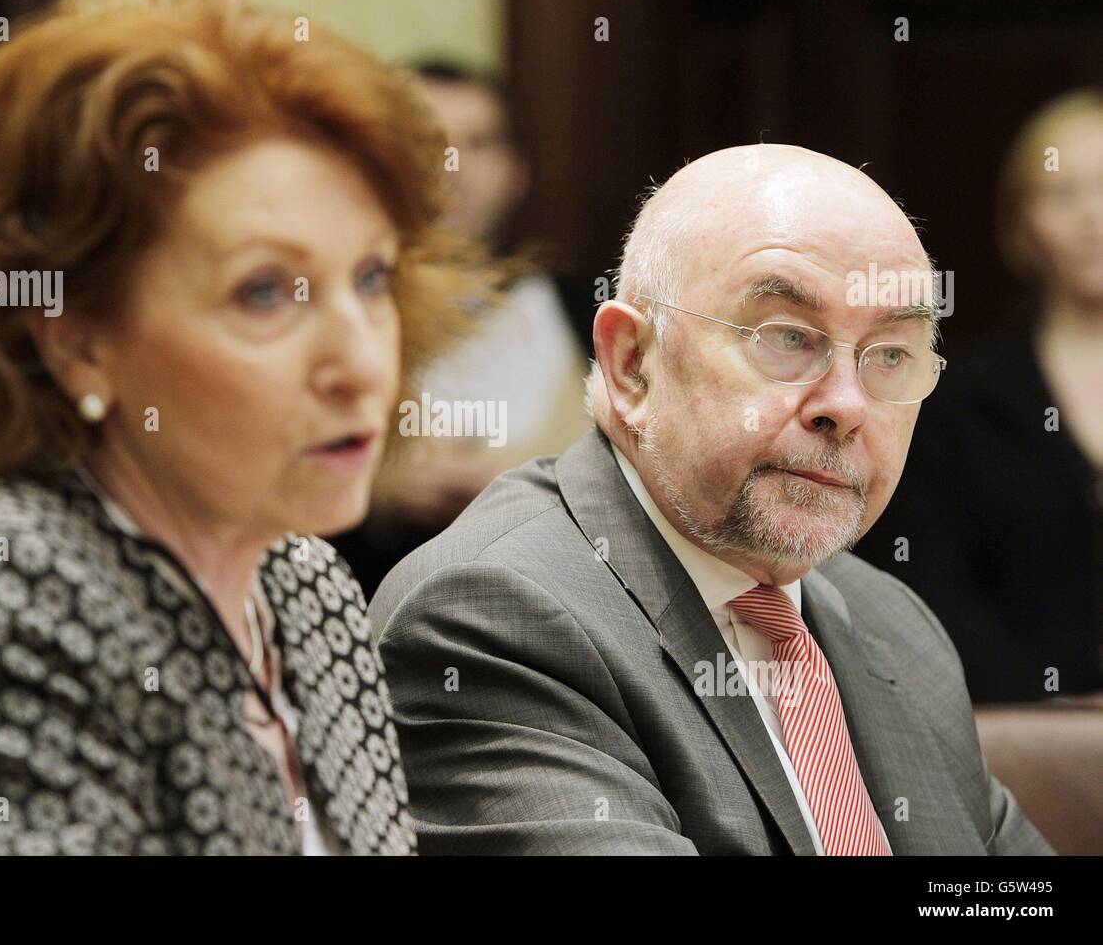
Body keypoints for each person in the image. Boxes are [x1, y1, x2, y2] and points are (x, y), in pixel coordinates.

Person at [0, 0, 486, 855]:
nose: (362, 366)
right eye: (266, 291)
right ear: (79, 340)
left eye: (371, 279)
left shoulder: (305, 582)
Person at [371, 144, 1055, 855]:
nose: (846, 405)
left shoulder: (892, 623)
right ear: (631, 363)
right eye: (787, 337)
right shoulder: (491, 615)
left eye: (890, 354)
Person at [855, 89, 1103, 704]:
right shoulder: (959, 399)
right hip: (1019, 742)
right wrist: (1048, 713)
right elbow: (928, 589)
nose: (1092, 214)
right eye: (1061, 192)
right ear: (1024, 225)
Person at [332, 61, 593, 598]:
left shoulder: (589, 310)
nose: (453, 167)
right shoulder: (334, 310)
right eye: (428, 142)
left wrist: (531, 489)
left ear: (515, 171)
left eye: (478, 144)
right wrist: (374, 492)